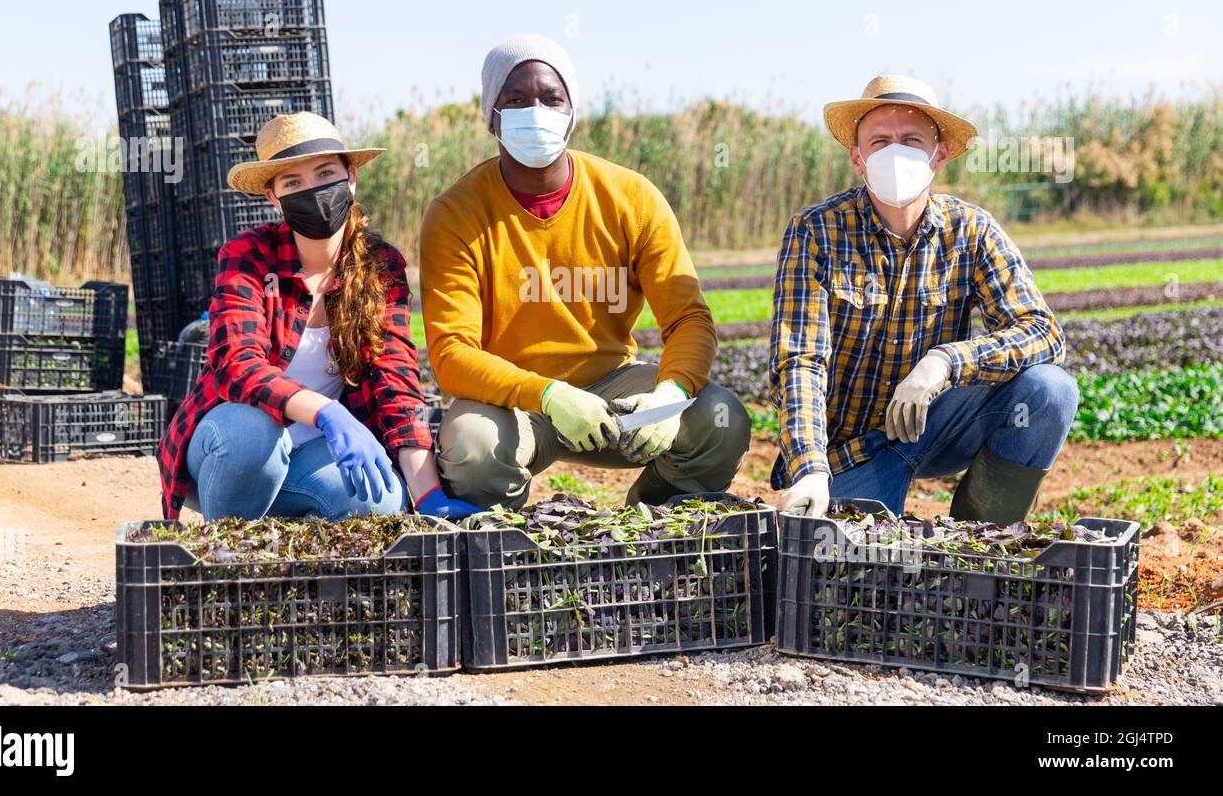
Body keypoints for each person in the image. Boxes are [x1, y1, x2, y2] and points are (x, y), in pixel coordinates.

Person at [420, 34, 751, 509]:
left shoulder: (631, 198)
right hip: (514, 403)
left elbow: (688, 319)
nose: (536, 110)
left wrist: (668, 394)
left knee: (722, 418)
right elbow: (452, 353)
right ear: (491, 115)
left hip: (614, 392)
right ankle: (509, 545)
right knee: (472, 446)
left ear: (572, 111)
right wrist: (548, 394)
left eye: (551, 98)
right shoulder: (456, 214)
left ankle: (654, 521)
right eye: (515, 99)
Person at [768, 75, 1078, 522]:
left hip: (935, 425)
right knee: (851, 566)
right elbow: (800, 361)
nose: (895, 153)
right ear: (858, 157)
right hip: (851, 452)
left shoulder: (971, 230)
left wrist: (946, 362)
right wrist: (810, 468)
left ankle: (984, 534)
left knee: (1050, 391)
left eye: (911, 140)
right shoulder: (816, 232)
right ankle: (845, 489)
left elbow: (1042, 332)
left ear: (940, 154)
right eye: (880, 141)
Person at [155, 111, 470, 522]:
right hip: (230, 449)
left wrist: (427, 494)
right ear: (273, 196)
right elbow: (238, 365)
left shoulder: (381, 266)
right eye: (293, 182)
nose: (314, 190)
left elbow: (395, 380)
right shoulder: (249, 256)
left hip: (315, 454)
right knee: (256, 435)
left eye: (325, 173)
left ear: (350, 176)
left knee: (383, 501)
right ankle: (230, 559)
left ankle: (278, 523)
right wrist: (327, 411)